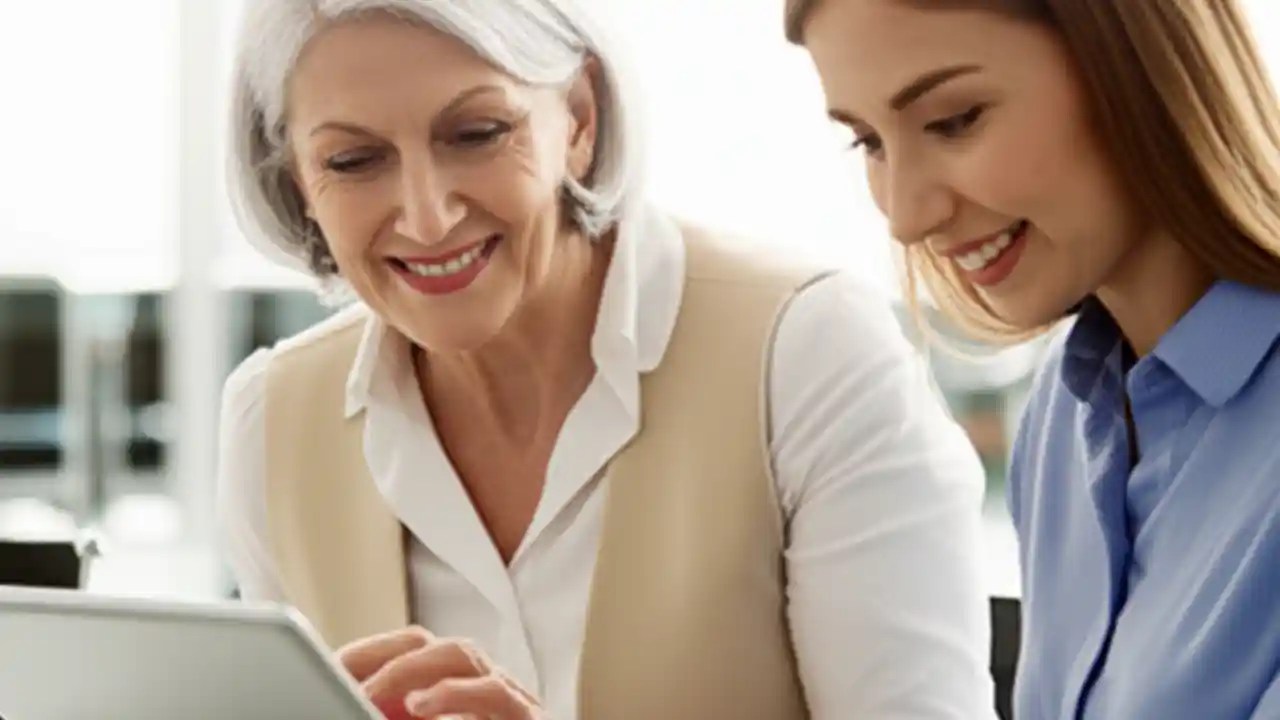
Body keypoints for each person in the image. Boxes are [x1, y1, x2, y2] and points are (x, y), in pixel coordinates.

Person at [216, 0, 996, 717]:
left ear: (579, 120)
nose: (426, 217)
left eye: (477, 133)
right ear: (300, 182)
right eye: (354, 161)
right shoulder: (271, 422)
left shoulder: (805, 351)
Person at [785, 0, 1280, 718]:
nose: (905, 215)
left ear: (1136, 62)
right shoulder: (1061, 422)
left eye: (954, 120)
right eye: (869, 142)